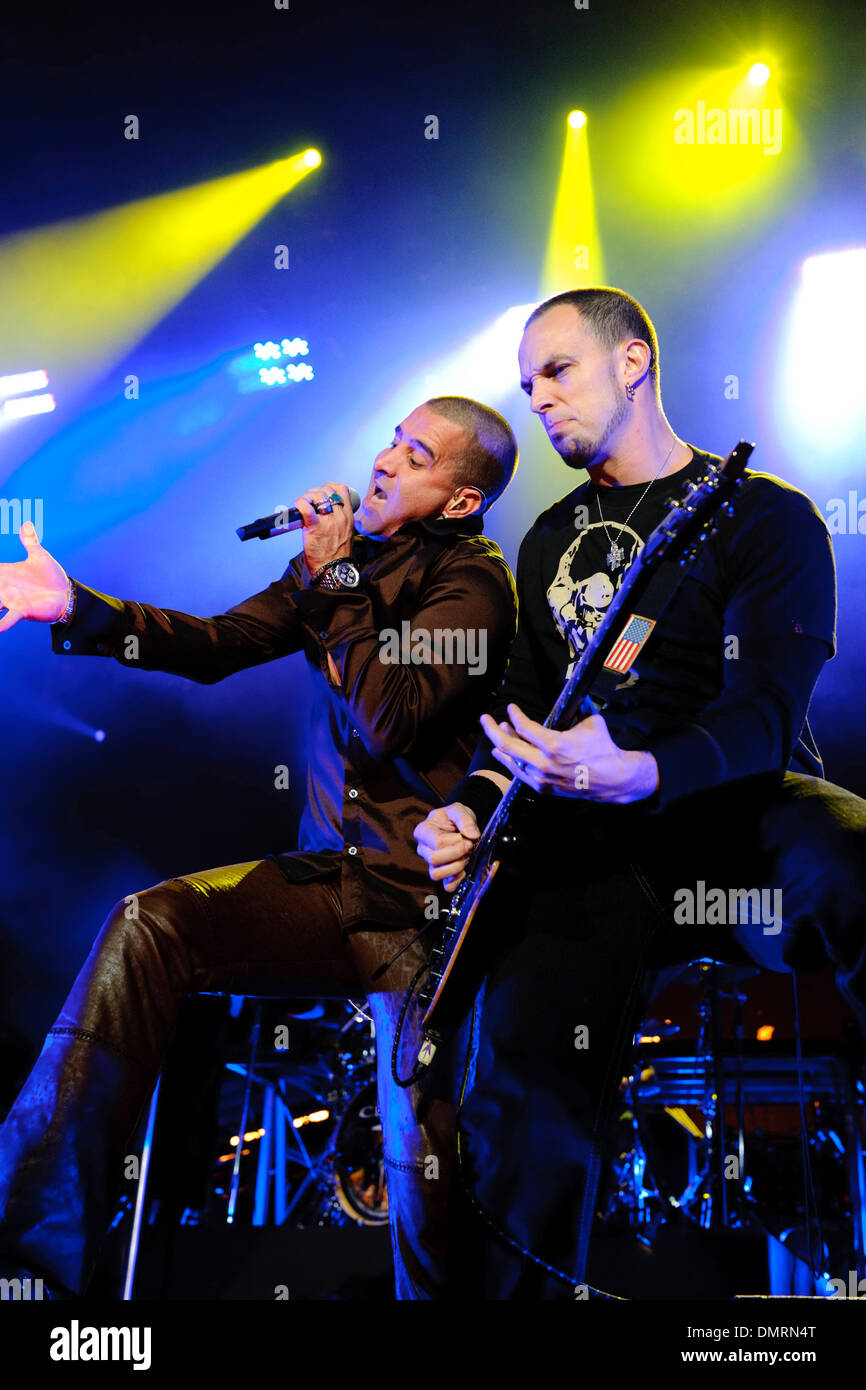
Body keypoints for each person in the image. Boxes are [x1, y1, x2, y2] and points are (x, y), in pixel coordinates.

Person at [0, 394, 519, 1301]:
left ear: (461, 500)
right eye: (391, 441)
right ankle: (29, 1242)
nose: (387, 461)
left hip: (421, 913)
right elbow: (216, 645)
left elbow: (387, 718)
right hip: (325, 883)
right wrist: (76, 607)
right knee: (151, 923)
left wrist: (338, 578)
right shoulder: (337, 568)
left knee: (424, 1181)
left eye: (418, 456)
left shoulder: (474, 586)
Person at [413, 288, 866, 1300]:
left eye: (556, 370)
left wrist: (646, 767)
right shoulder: (545, 537)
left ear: (631, 364)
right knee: (520, 1092)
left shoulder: (763, 514)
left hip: (735, 807)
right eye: (524, 383)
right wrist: (469, 808)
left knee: (851, 854)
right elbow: (524, 716)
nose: (535, 398)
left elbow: (762, 711)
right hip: (590, 840)